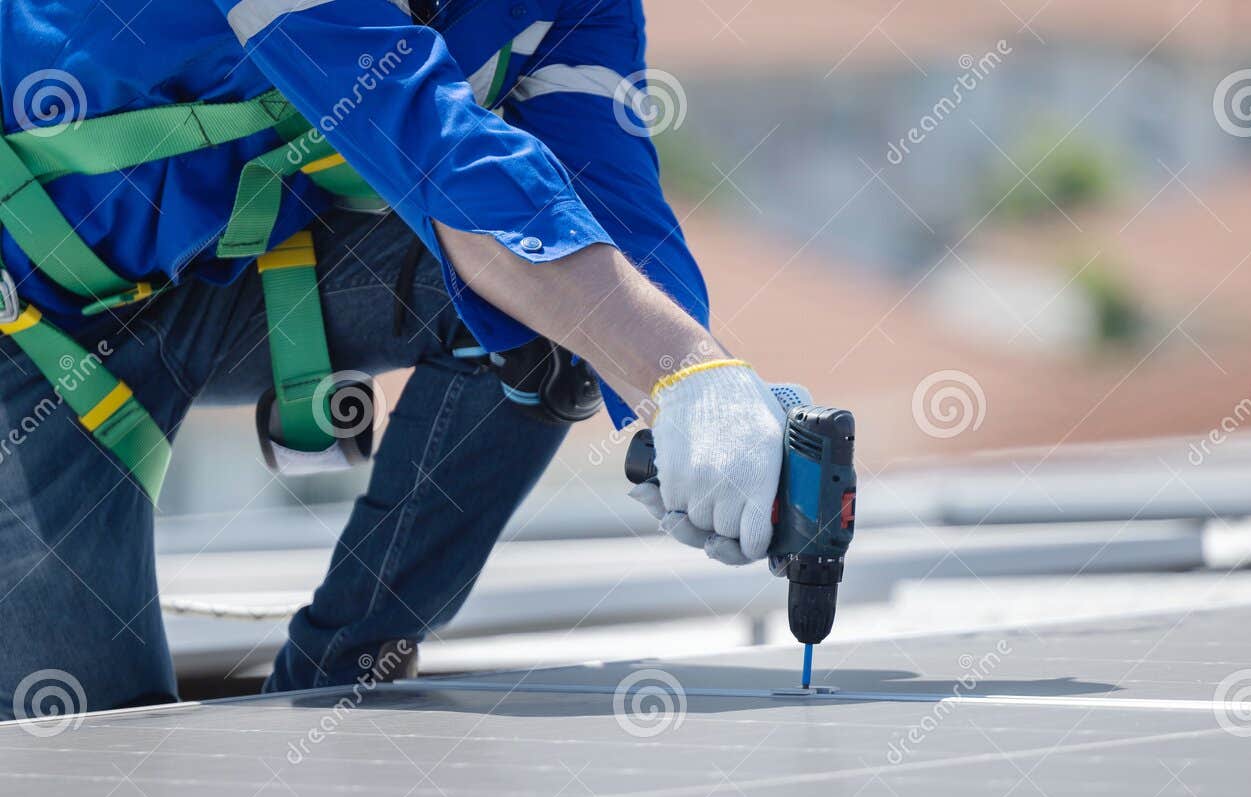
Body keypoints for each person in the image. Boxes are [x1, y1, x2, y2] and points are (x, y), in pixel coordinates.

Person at [0, 0, 789, 718]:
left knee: (566, 319)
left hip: (222, 275)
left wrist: (701, 400)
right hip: (25, 335)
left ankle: (339, 687)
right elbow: (432, 148)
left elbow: (617, 215)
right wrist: (677, 369)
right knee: (102, 751)